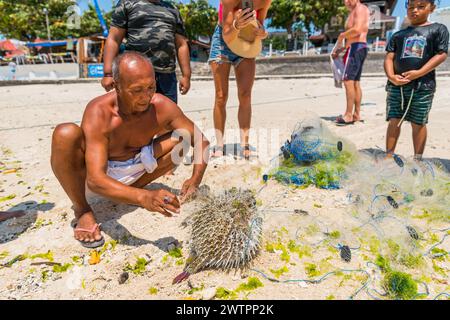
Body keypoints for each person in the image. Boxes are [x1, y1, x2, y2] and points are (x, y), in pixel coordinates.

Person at [51, 52, 209, 248]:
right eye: (136, 90)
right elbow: (95, 180)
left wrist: (195, 180)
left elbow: (202, 140)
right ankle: (83, 210)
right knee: (65, 133)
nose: (146, 96)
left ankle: (134, 189)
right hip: (99, 179)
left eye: (151, 87)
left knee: (183, 138)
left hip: (137, 169)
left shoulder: (160, 105)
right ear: (117, 86)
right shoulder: (100, 111)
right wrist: (144, 198)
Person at [384, 0, 448, 160]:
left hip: (423, 86)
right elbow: (389, 57)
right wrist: (391, 76)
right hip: (396, 85)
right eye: (411, 7)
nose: (415, 10)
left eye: (421, 7)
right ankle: (389, 155)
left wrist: (419, 72)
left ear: (431, 8)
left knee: (418, 122)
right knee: (394, 119)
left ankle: (418, 158)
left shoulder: (438, 29)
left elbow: (441, 54)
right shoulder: (398, 35)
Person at [209, 0, 271, 159]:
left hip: (247, 39)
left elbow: (260, 25)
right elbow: (227, 34)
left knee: (245, 95)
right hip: (224, 38)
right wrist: (236, 25)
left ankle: (244, 144)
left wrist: (263, 32)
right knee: (221, 96)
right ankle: (219, 143)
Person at [101, 0, 191, 104]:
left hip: (166, 75)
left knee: (167, 113)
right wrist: (108, 74)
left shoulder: (172, 9)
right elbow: (114, 39)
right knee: (134, 113)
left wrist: (186, 76)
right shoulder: (127, 3)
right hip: (135, 72)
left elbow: (181, 44)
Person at [333, 0, 370, 125]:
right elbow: (354, 36)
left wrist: (341, 36)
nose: (346, 1)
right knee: (355, 82)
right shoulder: (357, 10)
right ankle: (356, 114)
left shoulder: (360, 8)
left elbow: (358, 30)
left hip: (356, 47)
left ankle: (348, 115)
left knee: (348, 80)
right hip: (358, 47)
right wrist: (342, 49)